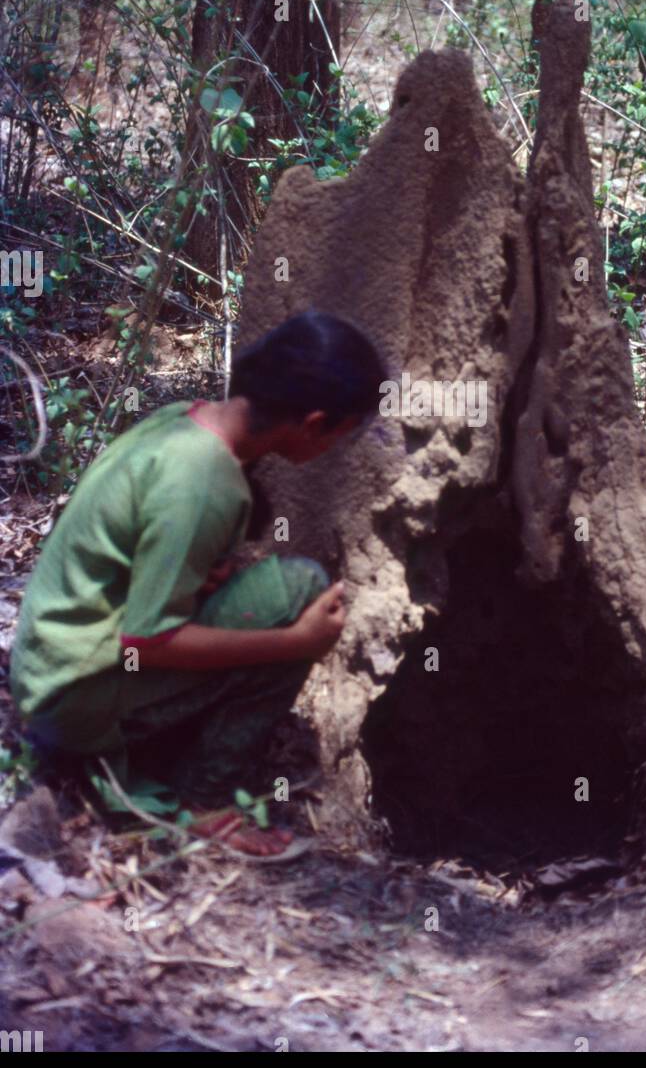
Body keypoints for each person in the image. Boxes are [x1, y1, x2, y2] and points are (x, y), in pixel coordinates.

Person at [10, 311, 386, 855]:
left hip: (46, 670)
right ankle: (205, 804)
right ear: (312, 422)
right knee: (299, 591)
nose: (332, 450)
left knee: (271, 589)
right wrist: (293, 644)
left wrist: (201, 580)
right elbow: (147, 641)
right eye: (341, 436)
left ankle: (153, 752)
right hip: (70, 699)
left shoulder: (182, 422)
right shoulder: (206, 480)